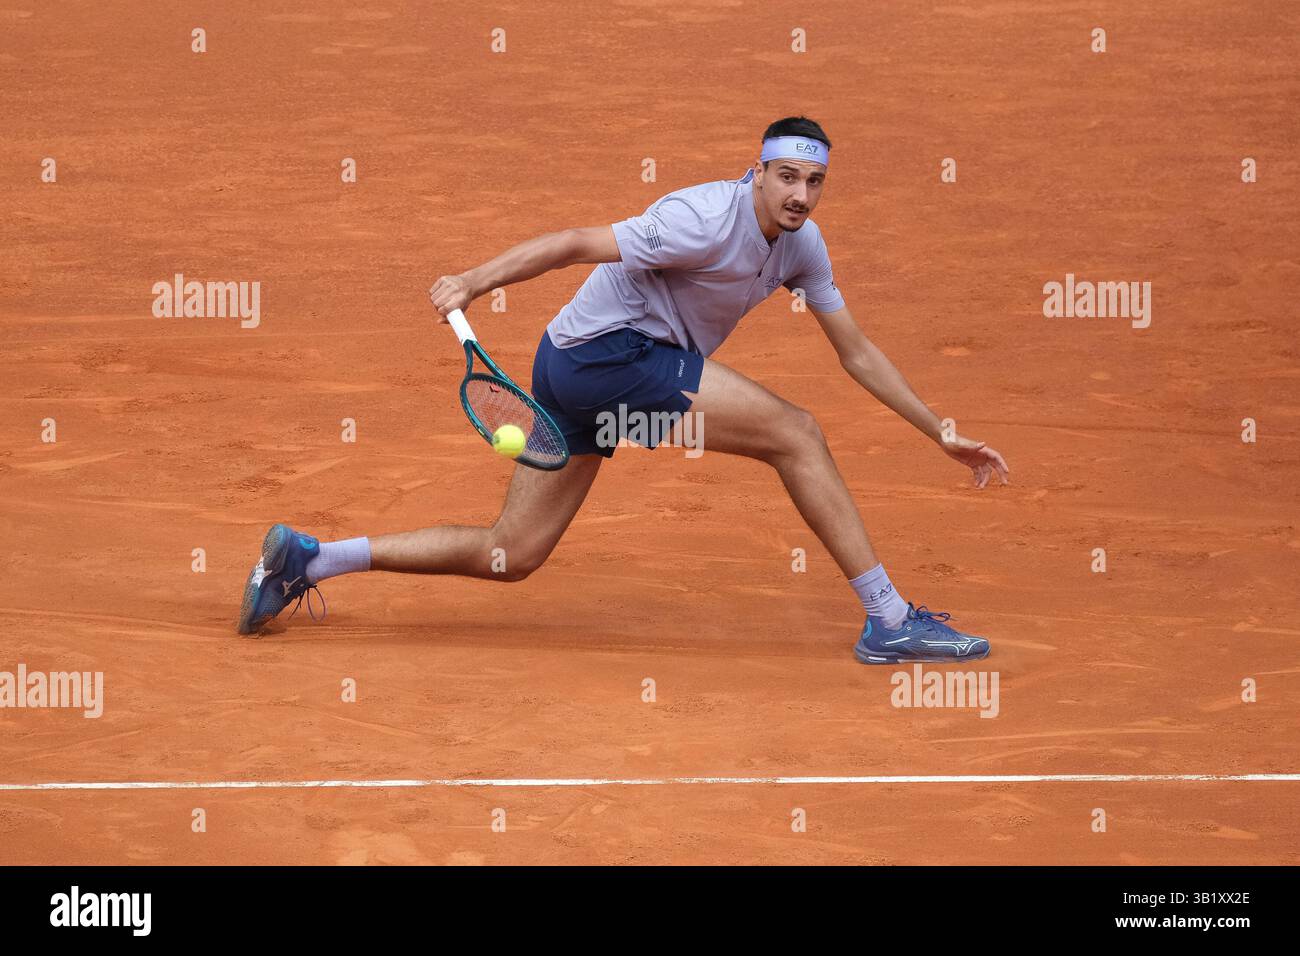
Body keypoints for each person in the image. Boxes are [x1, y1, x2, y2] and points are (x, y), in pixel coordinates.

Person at [237, 116, 1009, 664]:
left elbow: (858, 352)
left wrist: (935, 430)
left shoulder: (802, 245)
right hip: (607, 358)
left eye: (814, 181)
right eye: (787, 177)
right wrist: (473, 279)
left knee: (513, 553)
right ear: (757, 171)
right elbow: (577, 242)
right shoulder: (699, 220)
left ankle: (309, 559)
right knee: (795, 433)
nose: (800, 194)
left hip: (580, 369)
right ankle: (888, 619)